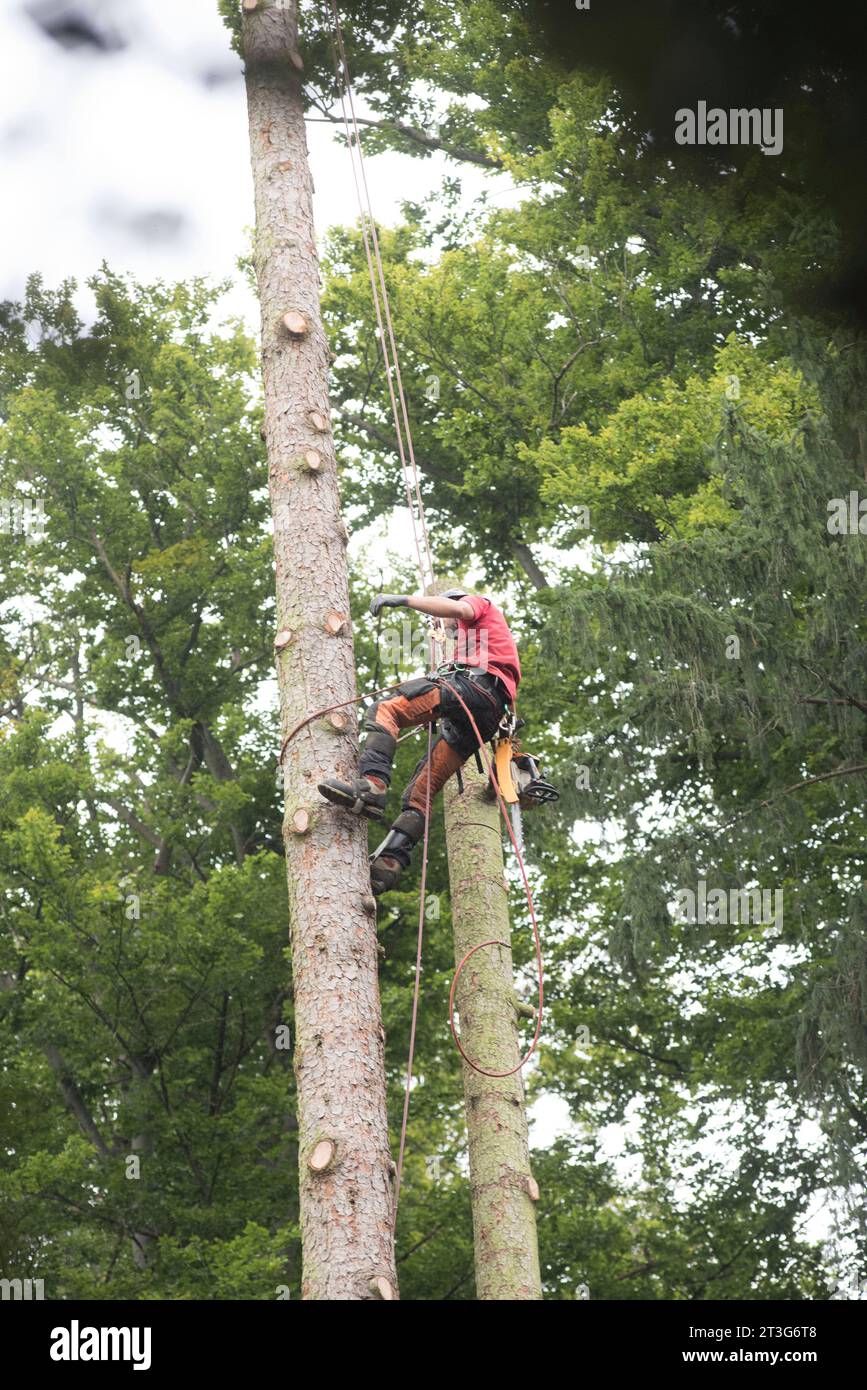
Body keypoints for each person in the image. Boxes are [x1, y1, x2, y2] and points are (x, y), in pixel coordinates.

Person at [318, 587, 521, 894]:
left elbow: (460, 611)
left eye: (443, 622)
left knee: (386, 710)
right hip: (483, 717)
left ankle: (372, 785)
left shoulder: (477, 606)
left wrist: (403, 600)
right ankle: (389, 863)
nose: (445, 628)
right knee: (422, 792)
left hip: (472, 691)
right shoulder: (481, 644)